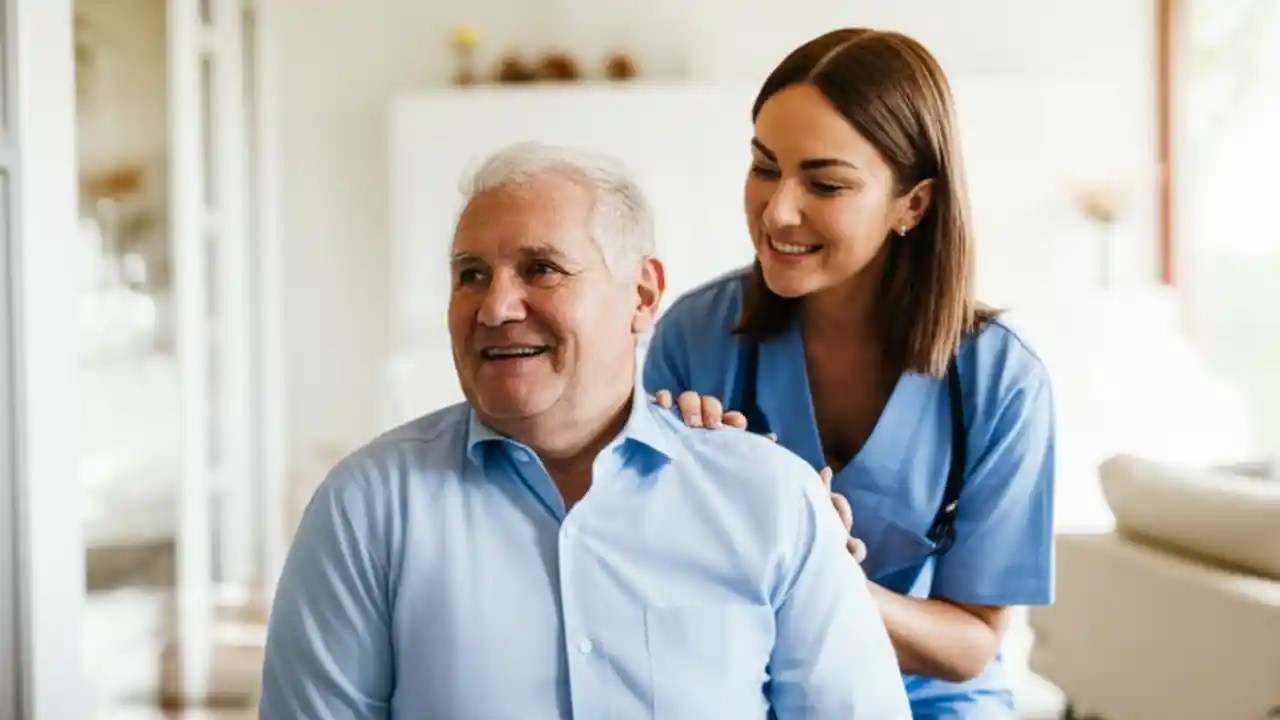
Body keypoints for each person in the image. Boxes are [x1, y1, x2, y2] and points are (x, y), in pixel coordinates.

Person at [259, 141, 911, 719]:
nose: (495, 307)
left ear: (642, 295)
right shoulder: (366, 507)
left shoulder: (772, 499)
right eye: (471, 275)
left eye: (541, 268)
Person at [644, 28, 1056, 719]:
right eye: (765, 167)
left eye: (826, 183)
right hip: (747, 692)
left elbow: (971, 643)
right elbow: (651, 579)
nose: (777, 211)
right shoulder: (694, 337)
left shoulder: (1001, 378)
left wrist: (815, 570)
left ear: (913, 204)